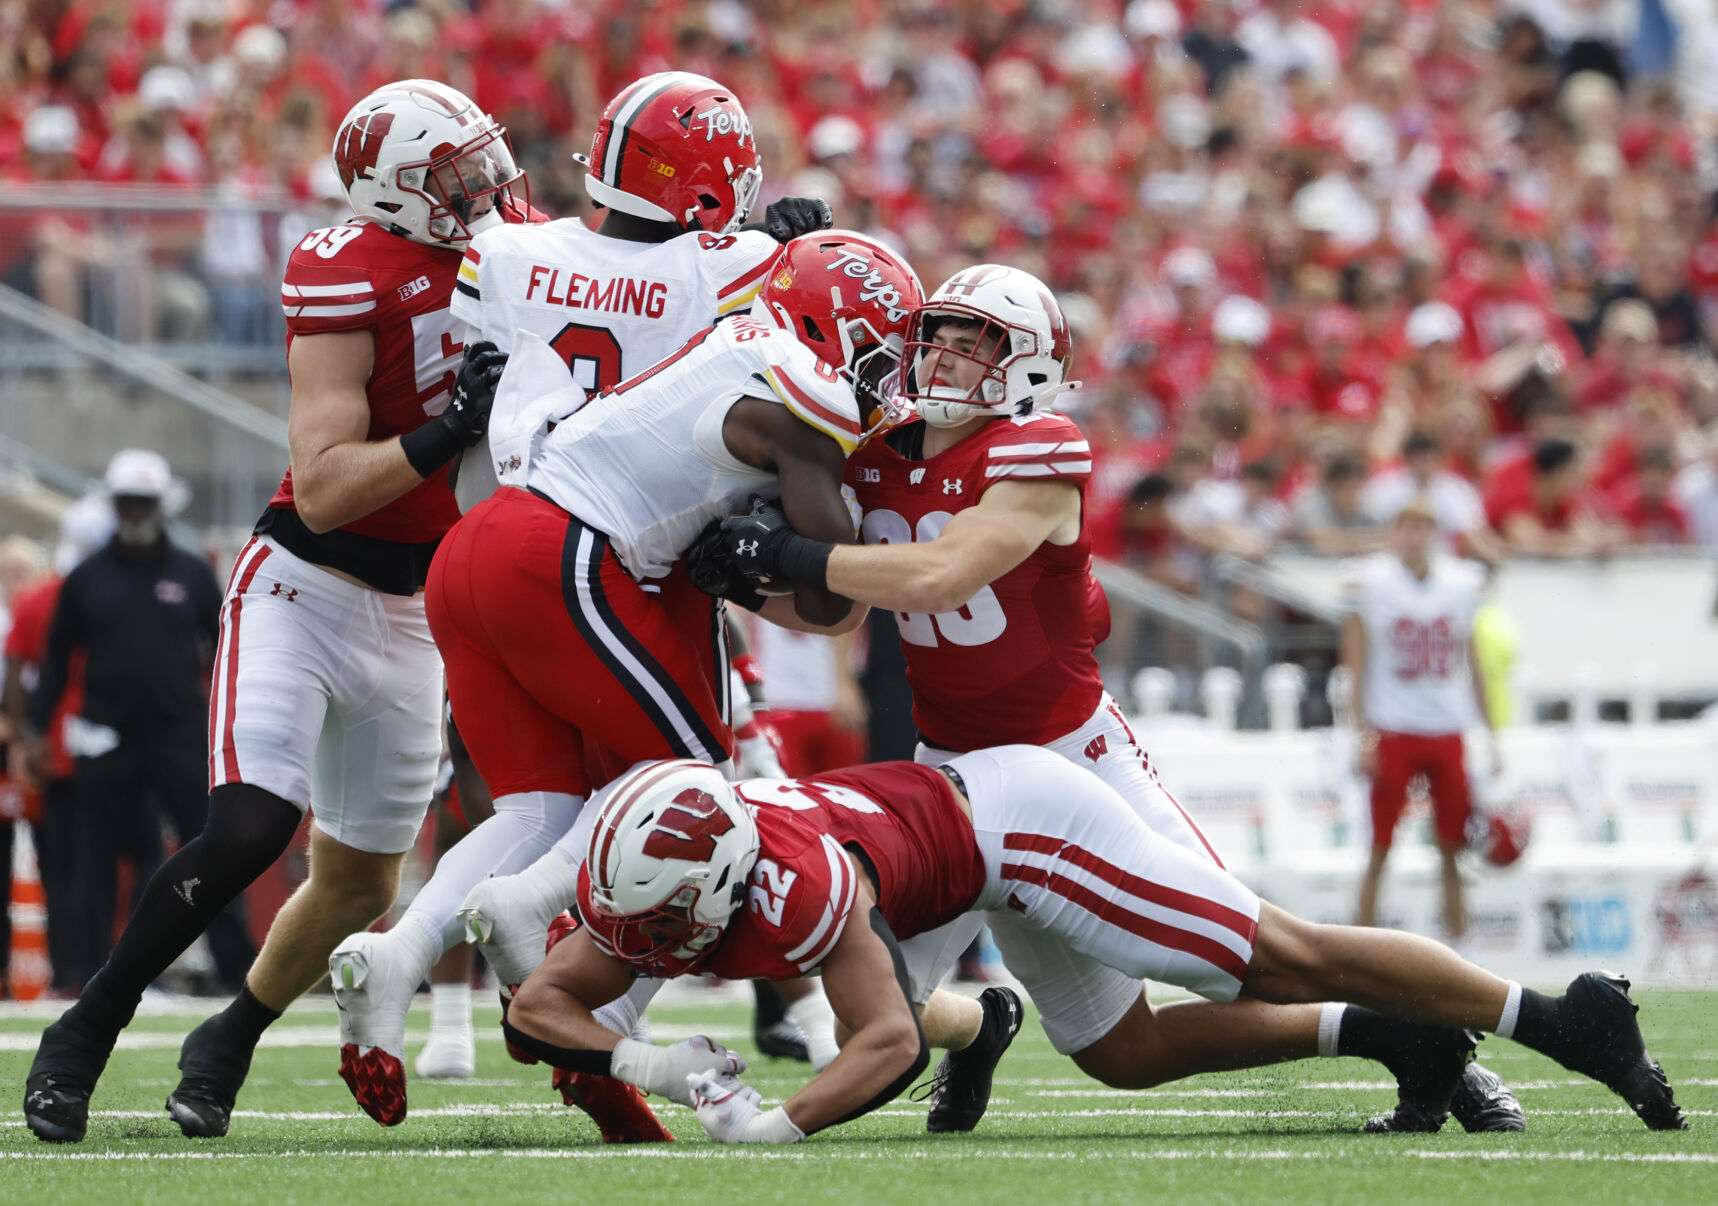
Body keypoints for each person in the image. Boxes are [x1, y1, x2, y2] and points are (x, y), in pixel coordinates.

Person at [696, 264, 1524, 1134]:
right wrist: (735, 579)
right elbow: (836, 611)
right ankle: (982, 1027)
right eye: (935, 336)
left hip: (1072, 758)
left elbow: (940, 577)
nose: (942, 357)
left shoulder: (1035, 448)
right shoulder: (875, 456)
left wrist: (786, 554)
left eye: (972, 343)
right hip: (954, 775)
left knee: (1249, 962)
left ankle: (1439, 1046)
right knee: (1017, 1031)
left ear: (1027, 365)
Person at [23, 79, 533, 1146]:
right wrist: (448, 432)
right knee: (252, 826)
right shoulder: (349, 268)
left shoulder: (522, 249)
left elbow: (635, 288)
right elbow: (328, 484)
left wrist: (752, 250)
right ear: (396, 192)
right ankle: (86, 1029)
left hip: (417, 608)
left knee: (359, 883)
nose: (487, 186)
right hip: (305, 582)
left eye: (485, 160)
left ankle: (227, 1042)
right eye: (456, 174)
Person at [327, 230, 921, 1131]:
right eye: (883, 345)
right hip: (560, 554)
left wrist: (748, 550)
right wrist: (778, 548)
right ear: (830, 326)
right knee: (697, 787)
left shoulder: (734, 343)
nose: (890, 370)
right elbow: (833, 594)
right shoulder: (803, 402)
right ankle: (533, 918)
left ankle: (396, 960)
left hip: (479, 546)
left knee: (537, 812)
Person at [500, 753, 1685, 1145]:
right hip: (942, 856)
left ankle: (1561, 1017)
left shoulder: (794, 884)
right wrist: (659, 1067)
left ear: (722, 880)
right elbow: (536, 1012)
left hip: (1020, 831)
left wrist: (769, 1129)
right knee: (1123, 1056)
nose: (644, 950)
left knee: (1280, 951)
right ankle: (1387, 1036)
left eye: (665, 926)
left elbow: (887, 1044)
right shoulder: (665, 866)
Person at [18, 453, 246, 994]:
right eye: (126, 502)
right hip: (106, 735)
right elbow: (55, 660)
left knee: (211, 845)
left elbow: (225, 648)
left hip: (178, 731)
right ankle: (83, 974)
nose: (135, 512)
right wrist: (34, 730)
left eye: (144, 502)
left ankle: (236, 968)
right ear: (114, 505)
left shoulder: (192, 573)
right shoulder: (86, 578)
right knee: (91, 858)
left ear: (161, 505)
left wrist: (232, 717)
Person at [1340, 499, 1498, 944]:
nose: (1414, 536)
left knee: (1452, 846)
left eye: (1423, 527)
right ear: (1393, 531)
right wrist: (1361, 735)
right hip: (1393, 726)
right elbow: (1354, 664)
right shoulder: (1371, 582)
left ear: (1436, 533)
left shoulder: (1460, 583)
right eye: (1406, 526)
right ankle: (1361, 948)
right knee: (1380, 845)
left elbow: (1473, 662)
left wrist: (1491, 735)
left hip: (1447, 725)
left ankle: (1460, 946)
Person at [3, 496, 115, 992]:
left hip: (63, 749)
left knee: (68, 868)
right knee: (94, 867)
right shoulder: (103, 592)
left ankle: (76, 970)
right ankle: (89, 970)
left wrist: (25, 737)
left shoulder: (41, 598)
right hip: (87, 751)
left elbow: (16, 674)